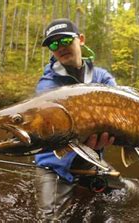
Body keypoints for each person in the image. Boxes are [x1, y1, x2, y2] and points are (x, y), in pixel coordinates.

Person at [34, 18, 119, 220]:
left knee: (124, 192)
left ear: (80, 40)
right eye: (53, 44)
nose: (60, 47)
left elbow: (128, 108)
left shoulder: (102, 77)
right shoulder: (47, 86)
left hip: (90, 156)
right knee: (50, 219)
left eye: (65, 40)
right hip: (54, 162)